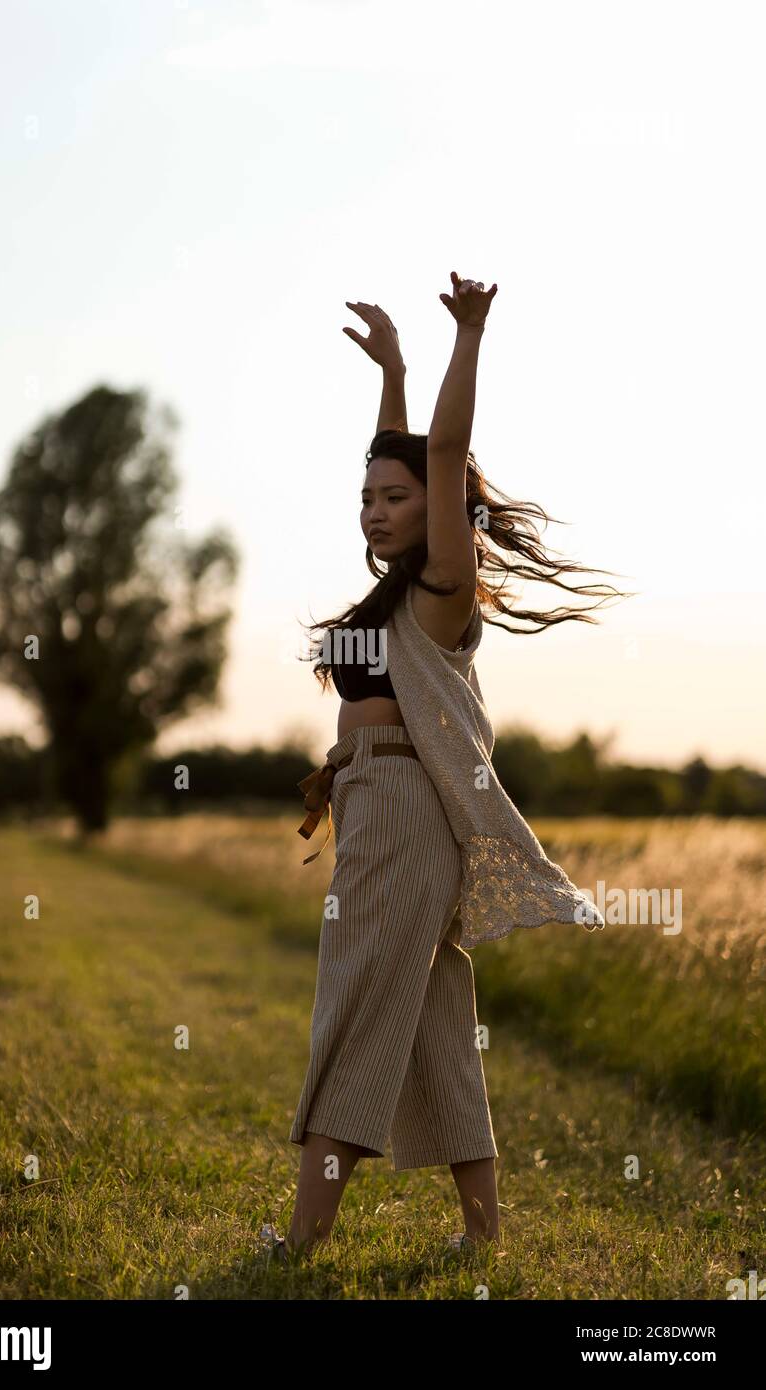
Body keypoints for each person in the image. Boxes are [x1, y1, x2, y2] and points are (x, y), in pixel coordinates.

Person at [263, 273, 628, 1266]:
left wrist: (464, 339)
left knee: (350, 1017)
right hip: (382, 814)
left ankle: (300, 1242)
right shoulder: (393, 597)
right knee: (428, 1024)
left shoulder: (439, 591)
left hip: (401, 819)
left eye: (396, 499)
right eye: (365, 499)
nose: (376, 511)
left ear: (439, 509)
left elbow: (441, 452)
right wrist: (391, 370)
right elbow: (409, 453)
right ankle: (484, 1239)